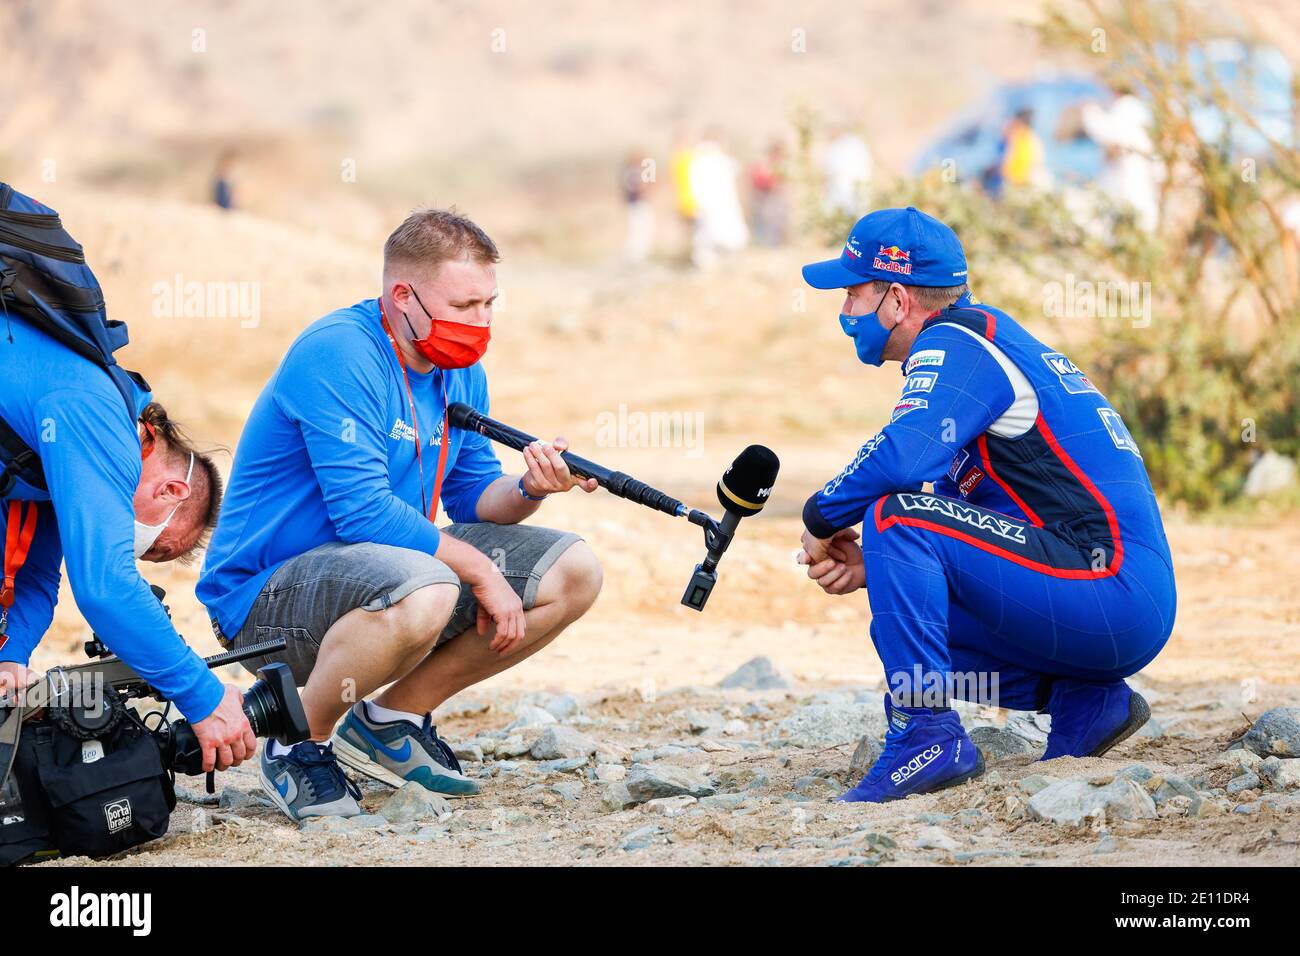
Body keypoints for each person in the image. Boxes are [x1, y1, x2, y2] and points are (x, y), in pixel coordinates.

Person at [197, 208, 604, 821]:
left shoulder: (460, 371)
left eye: (490, 303)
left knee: (575, 570)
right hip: (266, 603)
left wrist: (531, 486)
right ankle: (296, 738)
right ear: (403, 295)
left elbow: (473, 498)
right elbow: (361, 513)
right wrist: (481, 573)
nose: (483, 321)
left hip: (389, 581)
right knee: (432, 584)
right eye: (465, 305)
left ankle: (392, 718)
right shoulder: (338, 354)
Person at [797, 207, 1177, 803]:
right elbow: (951, 516)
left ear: (896, 300)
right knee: (902, 573)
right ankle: (1088, 700)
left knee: (892, 515)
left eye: (852, 293)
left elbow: (902, 460)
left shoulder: (956, 341)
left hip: (1109, 584)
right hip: (1115, 598)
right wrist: (879, 568)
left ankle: (927, 734)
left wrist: (819, 516)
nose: (844, 312)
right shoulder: (980, 340)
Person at [0, 356, 244, 773]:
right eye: (153, 548)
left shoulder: (71, 456)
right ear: (171, 490)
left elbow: (37, 576)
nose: (136, 553)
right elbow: (106, 586)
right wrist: (204, 697)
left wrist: (11, 656)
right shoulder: (100, 421)